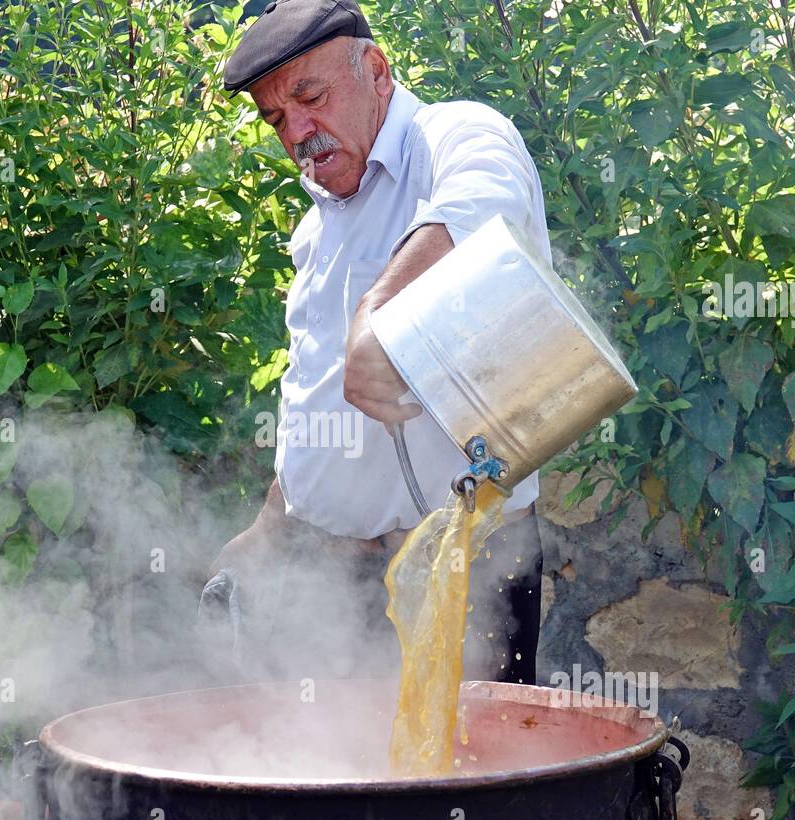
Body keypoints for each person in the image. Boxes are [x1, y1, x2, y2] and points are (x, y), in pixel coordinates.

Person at [206, 0, 546, 685]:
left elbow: (485, 214)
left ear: (377, 71)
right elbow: (314, 396)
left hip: (464, 567)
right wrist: (271, 523)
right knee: (333, 782)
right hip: (331, 584)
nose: (298, 131)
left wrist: (378, 311)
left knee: (465, 780)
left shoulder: (458, 136)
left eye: (311, 97)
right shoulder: (317, 225)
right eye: (277, 119)